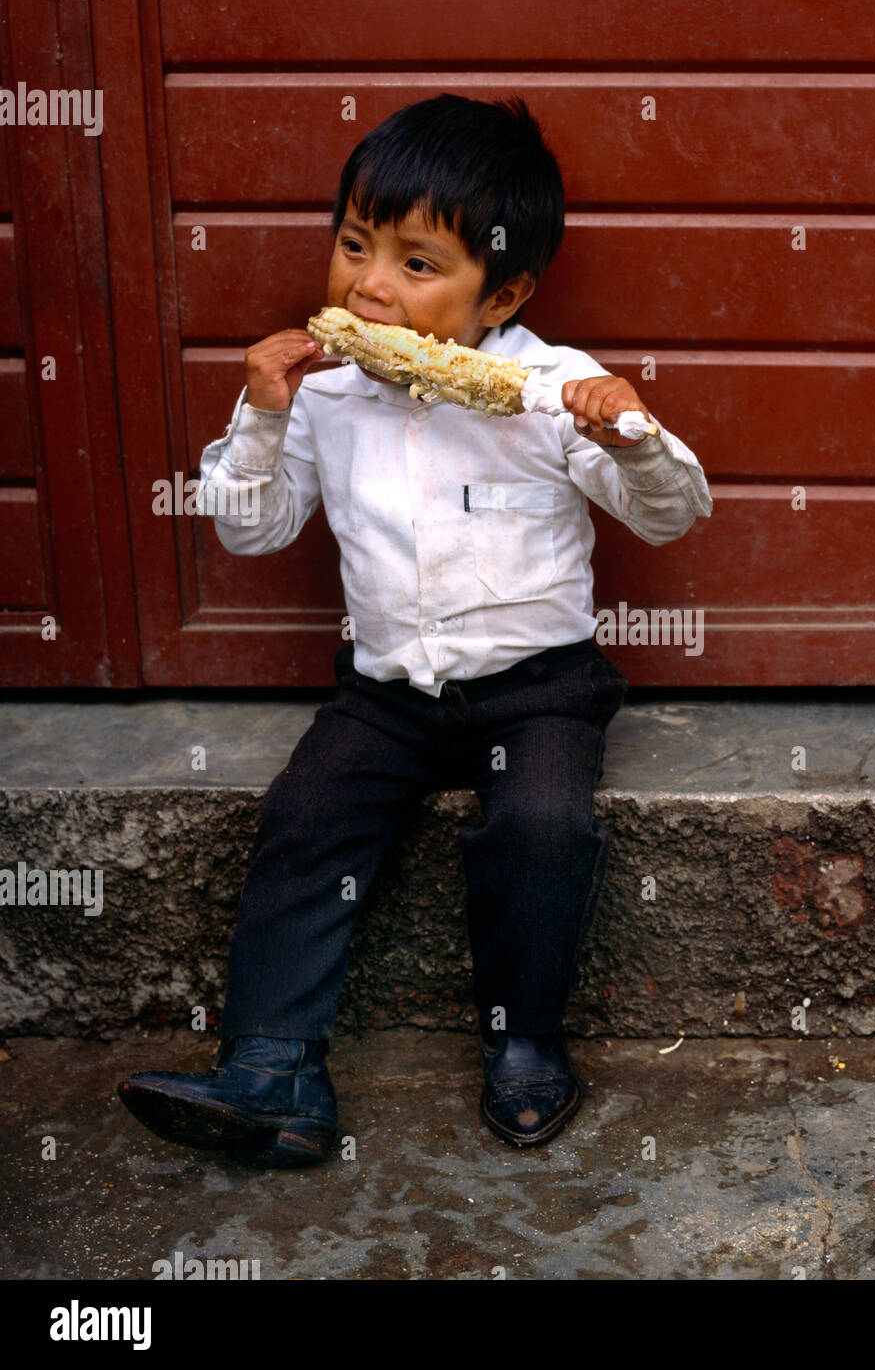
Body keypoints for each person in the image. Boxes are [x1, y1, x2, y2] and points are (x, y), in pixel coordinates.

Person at [117, 94, 712, 1167]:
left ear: (506, 293)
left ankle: (522, 1038)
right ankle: (272, 1069)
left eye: (417, 264)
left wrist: (630, 434)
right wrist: (258, 415)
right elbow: (254, 532)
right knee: (305, 813)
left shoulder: (545, 385)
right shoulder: (326, 394)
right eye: (353, 246)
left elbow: (670, 514)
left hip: (538, 688)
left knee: (540, 825)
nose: (370, 286)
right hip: (387, 692)